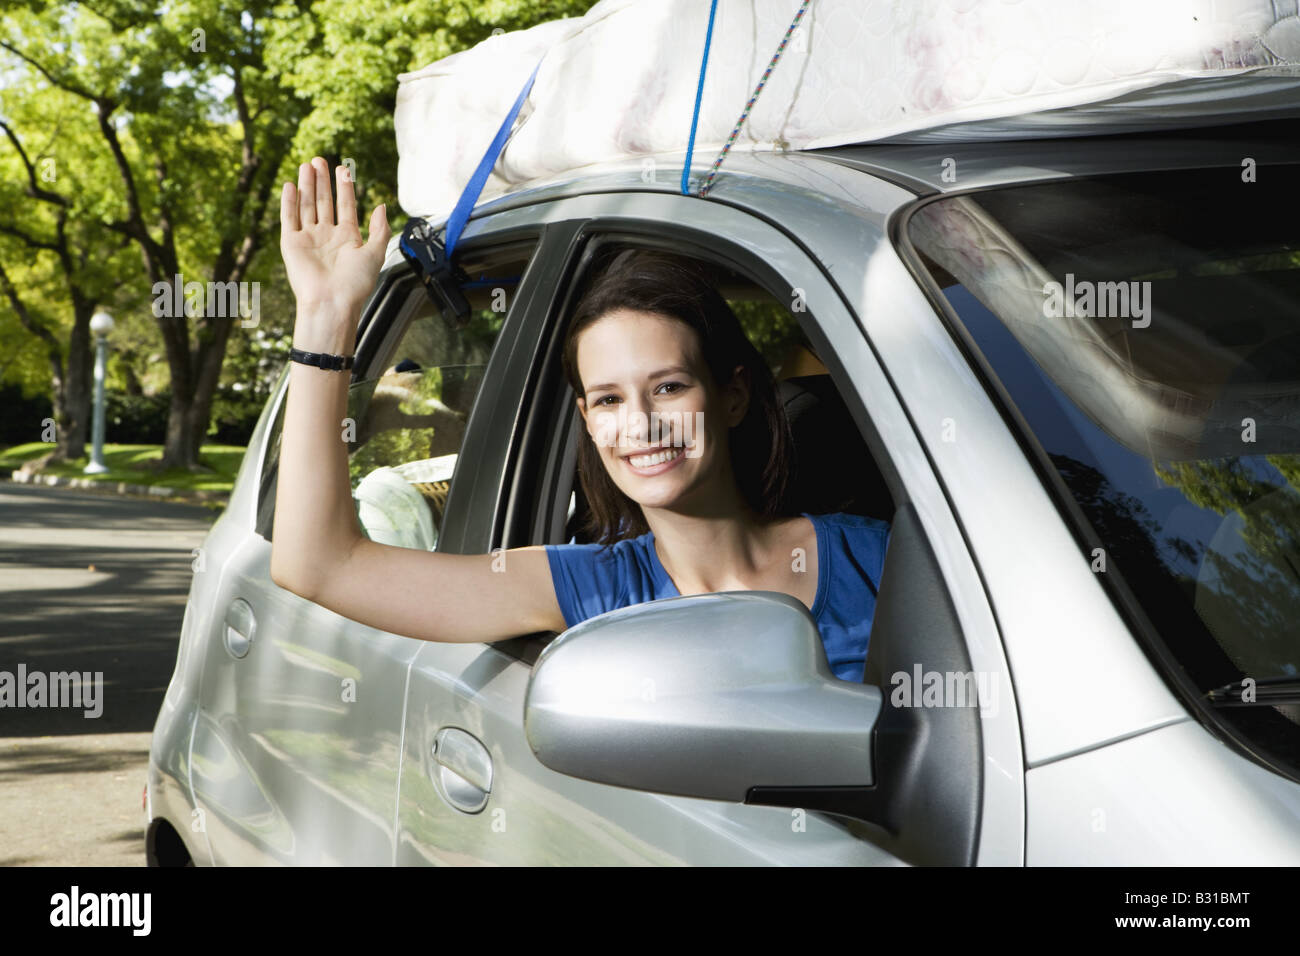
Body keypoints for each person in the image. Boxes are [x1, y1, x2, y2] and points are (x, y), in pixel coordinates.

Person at [272, 157, 890, 682]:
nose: (641, 424)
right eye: (609, 400)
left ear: (732, 397)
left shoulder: (880, 555)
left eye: (669, 387)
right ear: (588, 422)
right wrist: (326, 315)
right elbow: (318, 564)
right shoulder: (591, 587)